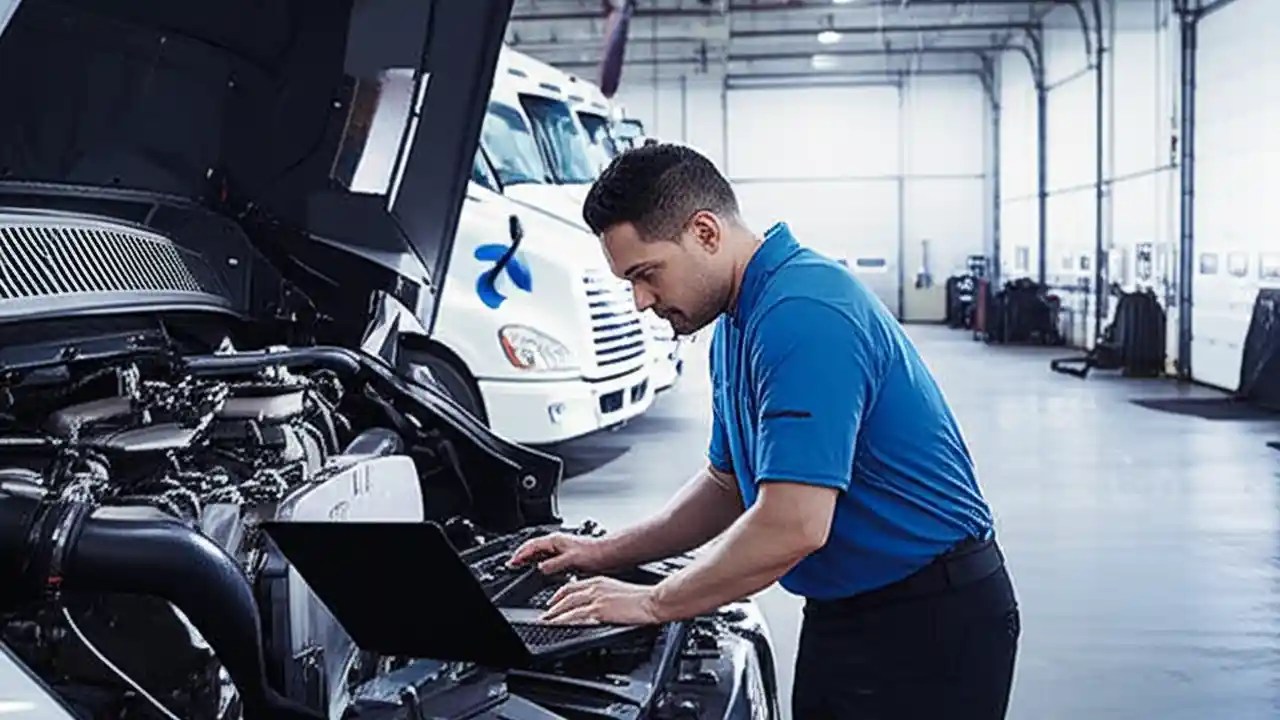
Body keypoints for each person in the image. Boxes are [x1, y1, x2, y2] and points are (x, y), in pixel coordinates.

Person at [508, 143, 1020, 719]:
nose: (641, 302)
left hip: (928, 623)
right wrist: (603, 552)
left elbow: (793, 524)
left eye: (647, 275)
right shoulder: (737, 319)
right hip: (845, 612)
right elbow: (726, 485)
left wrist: (652, 603)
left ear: (705, 232)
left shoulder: (803, 310)